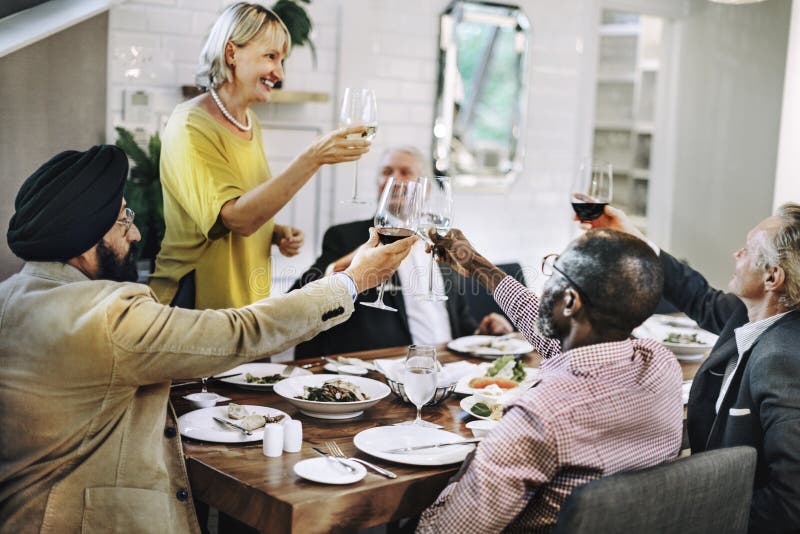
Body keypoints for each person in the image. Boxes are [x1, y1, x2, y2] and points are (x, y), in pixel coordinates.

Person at [0, 145, 415, 533]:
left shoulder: (11, 293)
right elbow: (240, 333)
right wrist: (351, 282)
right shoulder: (106, 315)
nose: (136, 235)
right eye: (124, 220)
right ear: (86, 235)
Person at [415, 228, 683, 532]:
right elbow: (553, 330)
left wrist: (462, 476)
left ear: (570, 301)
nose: (544, 283)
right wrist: (475, 263)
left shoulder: (539, 417)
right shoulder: (661, 364)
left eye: (554, 269)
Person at [585, 203, 800, 533]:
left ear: (772, 277)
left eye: (747, 248)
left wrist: (698, 518)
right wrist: (633, 237)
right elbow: (698, 296)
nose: (736, 253)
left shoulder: (783, 358)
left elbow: (791, 502)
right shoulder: (751, 313)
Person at [149, 2, 371, 309]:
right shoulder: (190, 124)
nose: (279, 73)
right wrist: (313, 157)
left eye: (282, 60)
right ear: (231, 54)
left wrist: (276, 233)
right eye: (271, 56)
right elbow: (236, 218)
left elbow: (241, 205)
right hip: (196, 303)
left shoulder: (249, 121)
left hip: (247, 301)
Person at [290, 145, 512, 358]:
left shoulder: (440, 246)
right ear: (378, 184)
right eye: (387, 172)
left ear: (425, 189)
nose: (394, 179)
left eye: (405, 172)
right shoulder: (346, 237)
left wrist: (482, 334)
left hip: (448, 369)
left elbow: (458, 322)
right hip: (382, 375)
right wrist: (347, 265)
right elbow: (298, 300)